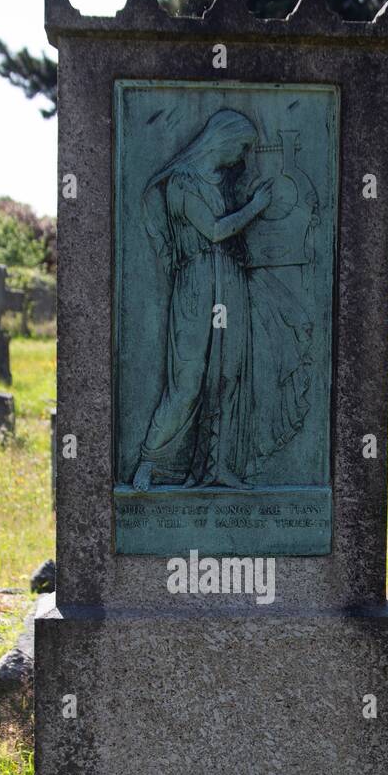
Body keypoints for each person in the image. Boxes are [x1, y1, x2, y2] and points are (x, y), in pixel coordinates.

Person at [133, 109, 272, 490]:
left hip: (228, 285)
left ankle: (217, 466)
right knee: (188, 381)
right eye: (241, 147)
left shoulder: (222, 184)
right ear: (223, 140)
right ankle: (150, 461)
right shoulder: (182, 183)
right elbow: (212, 230)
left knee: (226, 375)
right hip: (198, 289)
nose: (242, 157)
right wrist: (255, 208)